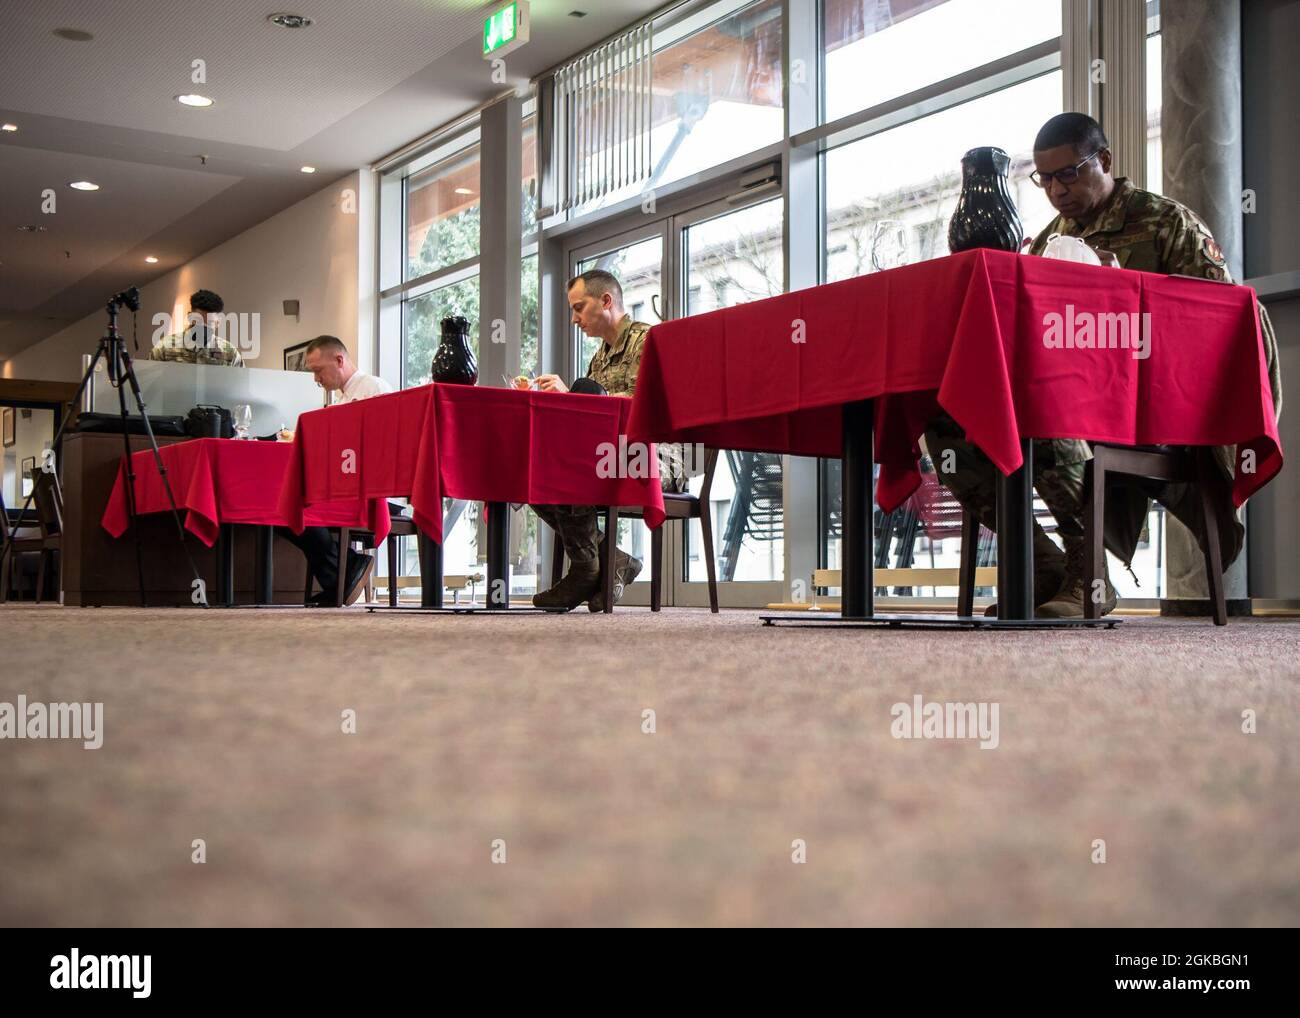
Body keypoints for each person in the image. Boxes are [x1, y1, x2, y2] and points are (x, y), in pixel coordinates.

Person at [924, 112, 1281, 617]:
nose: (1055, 190)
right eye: (1044, 178)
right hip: (1071, 395)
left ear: (1105, 161)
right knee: (949, 422)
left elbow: (1213, 327)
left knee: (1046, 412)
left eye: (1068, 173)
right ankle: (1045, 567)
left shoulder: (1165, 222)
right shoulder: (1046, 240)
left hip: (1156, 406)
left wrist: (1127, 301)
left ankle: (1087, 574)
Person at [530, 270, 687, 612]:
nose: (574, 319)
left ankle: (589, 567)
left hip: (662, 454)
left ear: (605, 301)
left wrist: (574, 396)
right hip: (611, 455)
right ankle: (605, 559)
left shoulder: (648, 341)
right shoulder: (599, 357)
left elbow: (643, 406)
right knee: (536, 475)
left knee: (571, 470)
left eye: (578, 307)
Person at [281, 335, 395, 605]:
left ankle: (342, 574)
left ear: (339, 360)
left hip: (370, 489)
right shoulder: (340, 401)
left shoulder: (374, 388)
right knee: (284, 508)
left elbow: (384, 445)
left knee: (297, 509)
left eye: (318, 370)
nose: (316, 379)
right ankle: (344, 571)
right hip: (344, 486)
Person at [149, 289, 244, 366]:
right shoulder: (165, 347)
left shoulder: (230, 352)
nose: (203, 327)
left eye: (210, 322)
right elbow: (147, 382)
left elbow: (241, 384)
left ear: (218, 322)